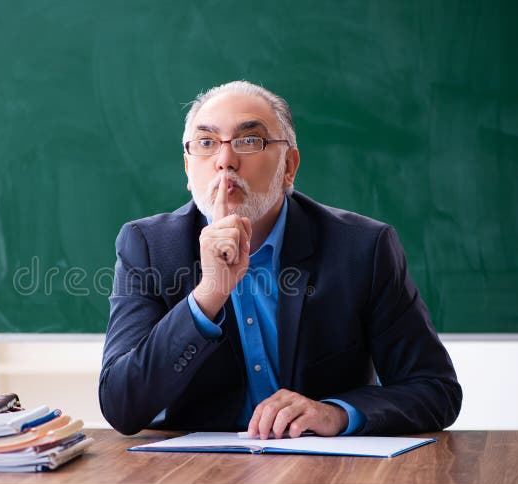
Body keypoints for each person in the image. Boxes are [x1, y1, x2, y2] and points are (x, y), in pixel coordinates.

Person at [99, 81, 461, 438]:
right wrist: (209, 294)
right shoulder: (148, 246)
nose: (226, 162)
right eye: (206, 143)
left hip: (326, 476)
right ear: (188, 170)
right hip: (200, 478)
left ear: (289, 165)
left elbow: (434, 390)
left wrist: (336, 413)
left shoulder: (362, 247)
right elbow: (121, 405)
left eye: (248, 140)